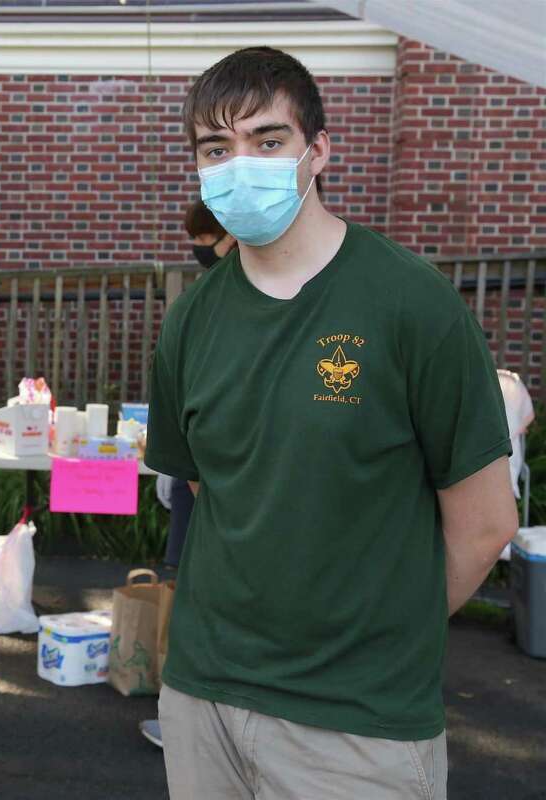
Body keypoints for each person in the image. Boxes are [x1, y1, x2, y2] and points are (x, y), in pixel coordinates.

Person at [144, 47, 518, 799]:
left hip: (357, 723)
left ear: (317, 151)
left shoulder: (412, 303)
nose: (239, 165)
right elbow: (213, 492)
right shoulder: (190, 321)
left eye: (267, 140)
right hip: (203, 697)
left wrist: (381, 640)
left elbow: (484, 524)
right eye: (216, 149)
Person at [141, 199, 239, 749]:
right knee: (184, 581)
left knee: (194, 587)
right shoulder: (205, 303)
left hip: (219, 484)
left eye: (207, 239)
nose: (200, 250)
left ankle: (193, 712)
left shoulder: (226, 300)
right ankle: (183, 707)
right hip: (199, 474)